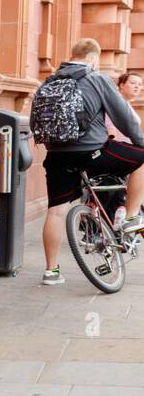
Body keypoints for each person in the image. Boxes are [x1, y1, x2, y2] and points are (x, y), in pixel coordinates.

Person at [36, 38, 144, 285]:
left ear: (71, 55)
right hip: (92, 152)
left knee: (55, 212)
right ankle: (130, 218)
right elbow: (124, 118)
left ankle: (51, 271)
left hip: (56, 155)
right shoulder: (97, 79)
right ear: (93, 58)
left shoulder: (49, 82)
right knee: (141, 159)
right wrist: (139, 142)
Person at [106, 71, 144, 140]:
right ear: (122, 85)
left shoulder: (126, 103)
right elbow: (110, 129)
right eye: (133, 83)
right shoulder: (116, 103)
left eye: (140, 84)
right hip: (120, 148)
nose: (137, 86)